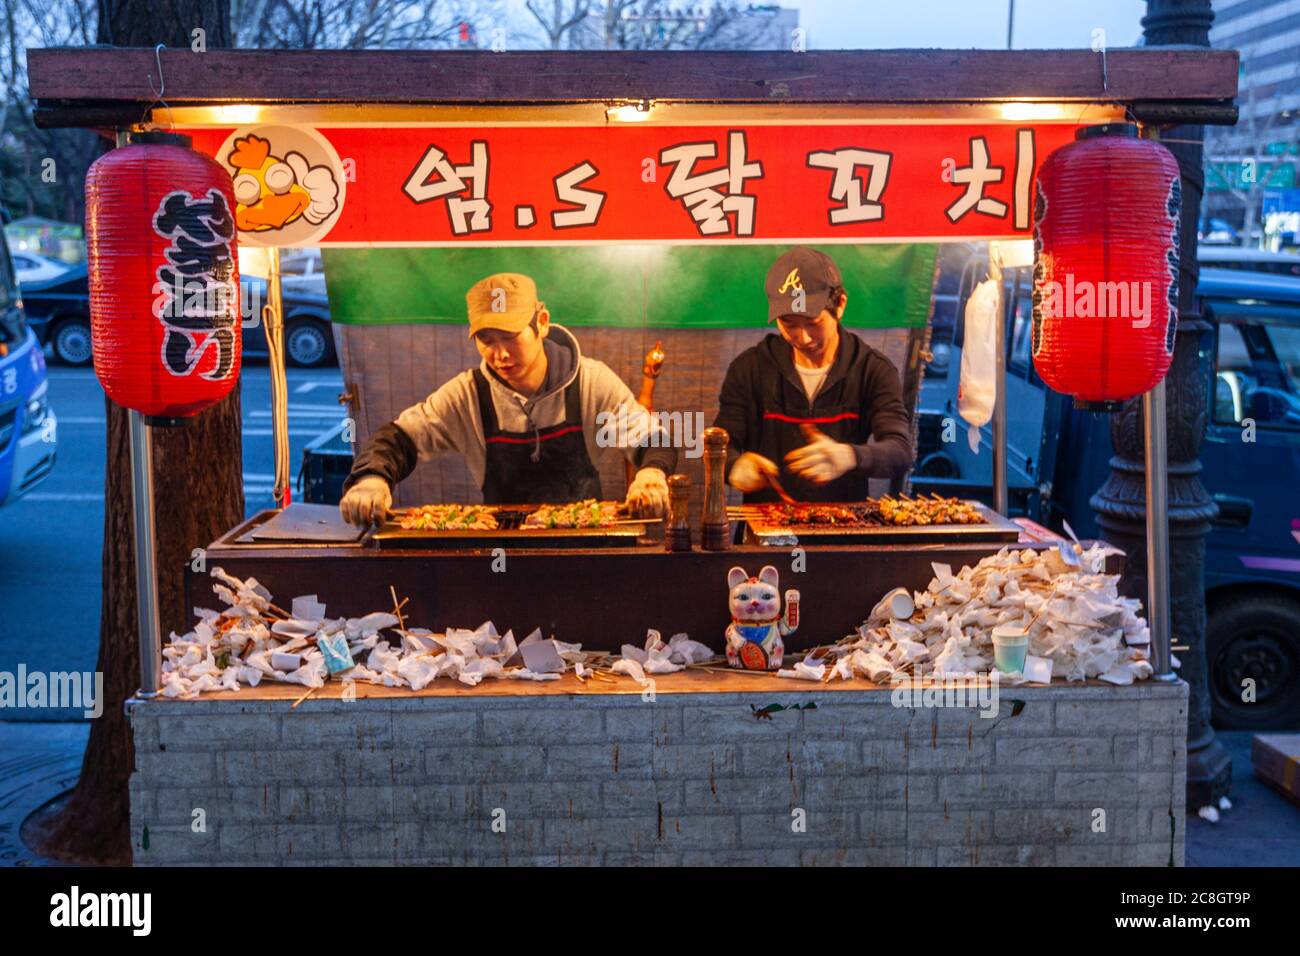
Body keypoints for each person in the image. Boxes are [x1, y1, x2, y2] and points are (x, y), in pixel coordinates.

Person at [340, 272, 674, 524]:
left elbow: (651, 436)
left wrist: (651, 474)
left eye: (511, 337)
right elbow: (399, 438)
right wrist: (372, 478)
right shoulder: (467, 395)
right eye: (486, 339)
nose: (499, 354)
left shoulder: (590, 381)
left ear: (541, 324)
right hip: (501, 549)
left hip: (586, 541)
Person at [713, 246, 914, 503]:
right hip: (766, 528)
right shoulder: (750, 368)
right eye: (789, 324)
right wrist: (733, 466)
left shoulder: (872, 369)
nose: (803, 338)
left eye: (812, 323)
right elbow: (718, 445)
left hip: (843, 530)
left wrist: (849, 456)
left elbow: (900, 451)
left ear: (840, 305)